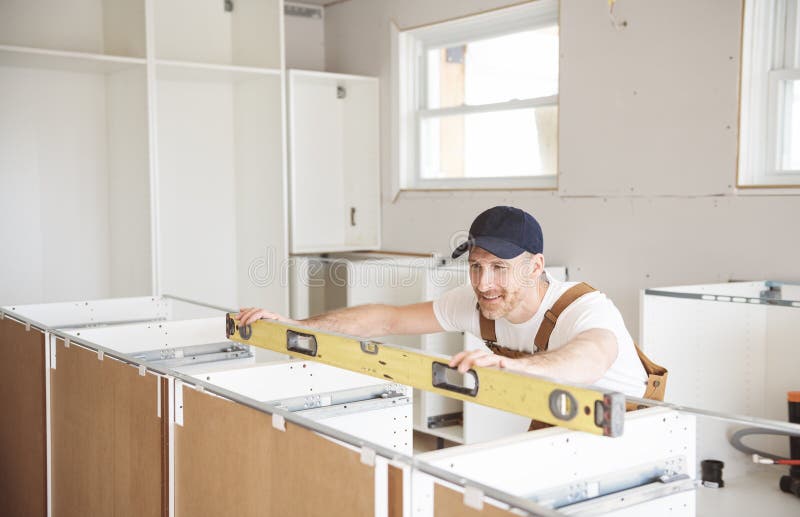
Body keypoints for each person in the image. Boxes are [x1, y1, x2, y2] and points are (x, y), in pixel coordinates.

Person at [237, 206, 651, 398]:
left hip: (636, 423)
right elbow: (387, 319)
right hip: (568, 411)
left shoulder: (585, 307)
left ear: (535, 265)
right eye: (475, 266)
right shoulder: (475, 304)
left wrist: (515, 366)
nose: (484, 283)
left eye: (499, 268)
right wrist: (295, 325)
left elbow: (590, 358)